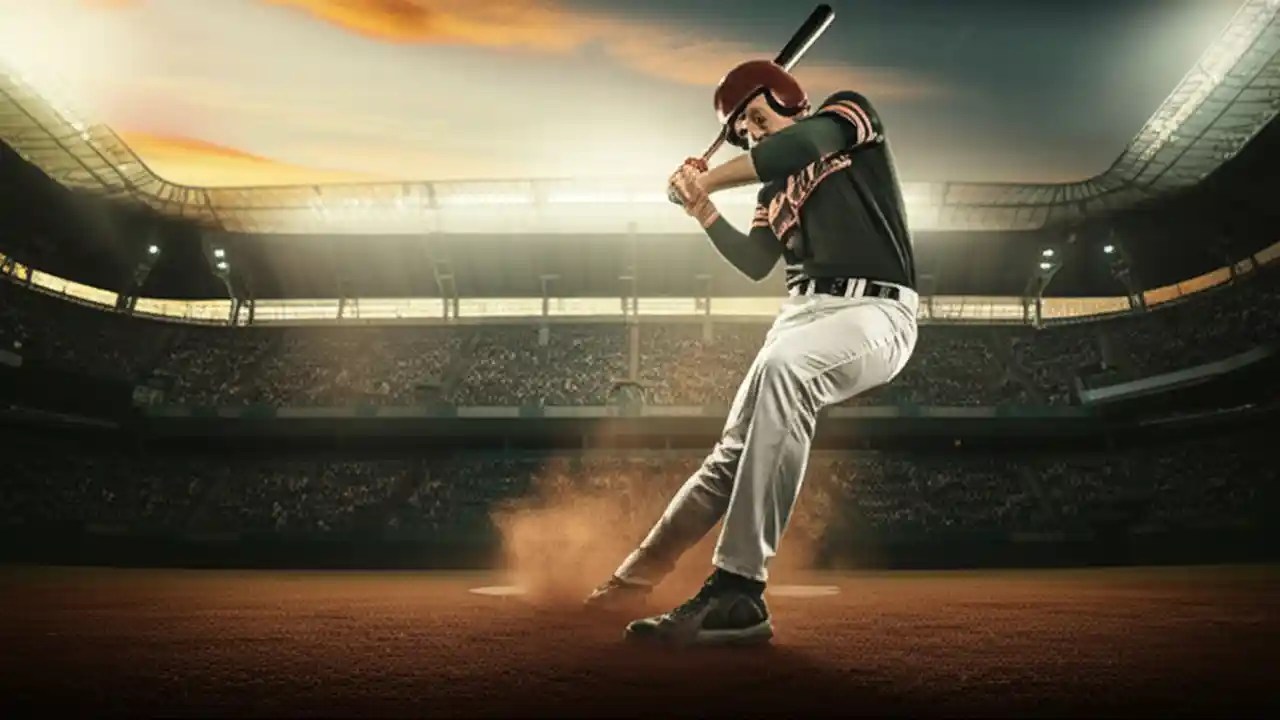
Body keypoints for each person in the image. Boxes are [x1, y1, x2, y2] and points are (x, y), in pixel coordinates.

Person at [583, 60, 921, 647]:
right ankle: (633, 579)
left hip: (876, 311)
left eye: (759, 118)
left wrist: (707, 179)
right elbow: (756, 261)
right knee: (729, 458)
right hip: (799, 318)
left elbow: (803, 143)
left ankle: (739, 588)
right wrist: (701, 208)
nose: (755, 134)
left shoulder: (846, 117)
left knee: (790, 374)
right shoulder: (770, 190)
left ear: (789, 98)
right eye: (745, 131)